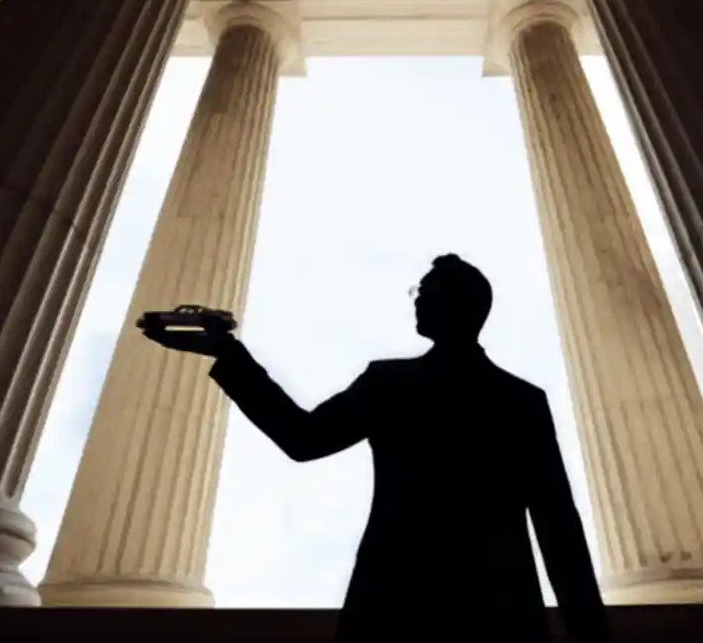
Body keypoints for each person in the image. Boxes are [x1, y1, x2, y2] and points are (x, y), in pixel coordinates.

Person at [144, 254, 611, 642]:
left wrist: (229, 356)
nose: (418, 299)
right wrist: (591, 634)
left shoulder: (391, 384)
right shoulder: (521, 400)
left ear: (459, 305)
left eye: (426, 291)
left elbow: (302, 439)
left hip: (395, 600)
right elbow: (558, 528)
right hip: (499, 610)